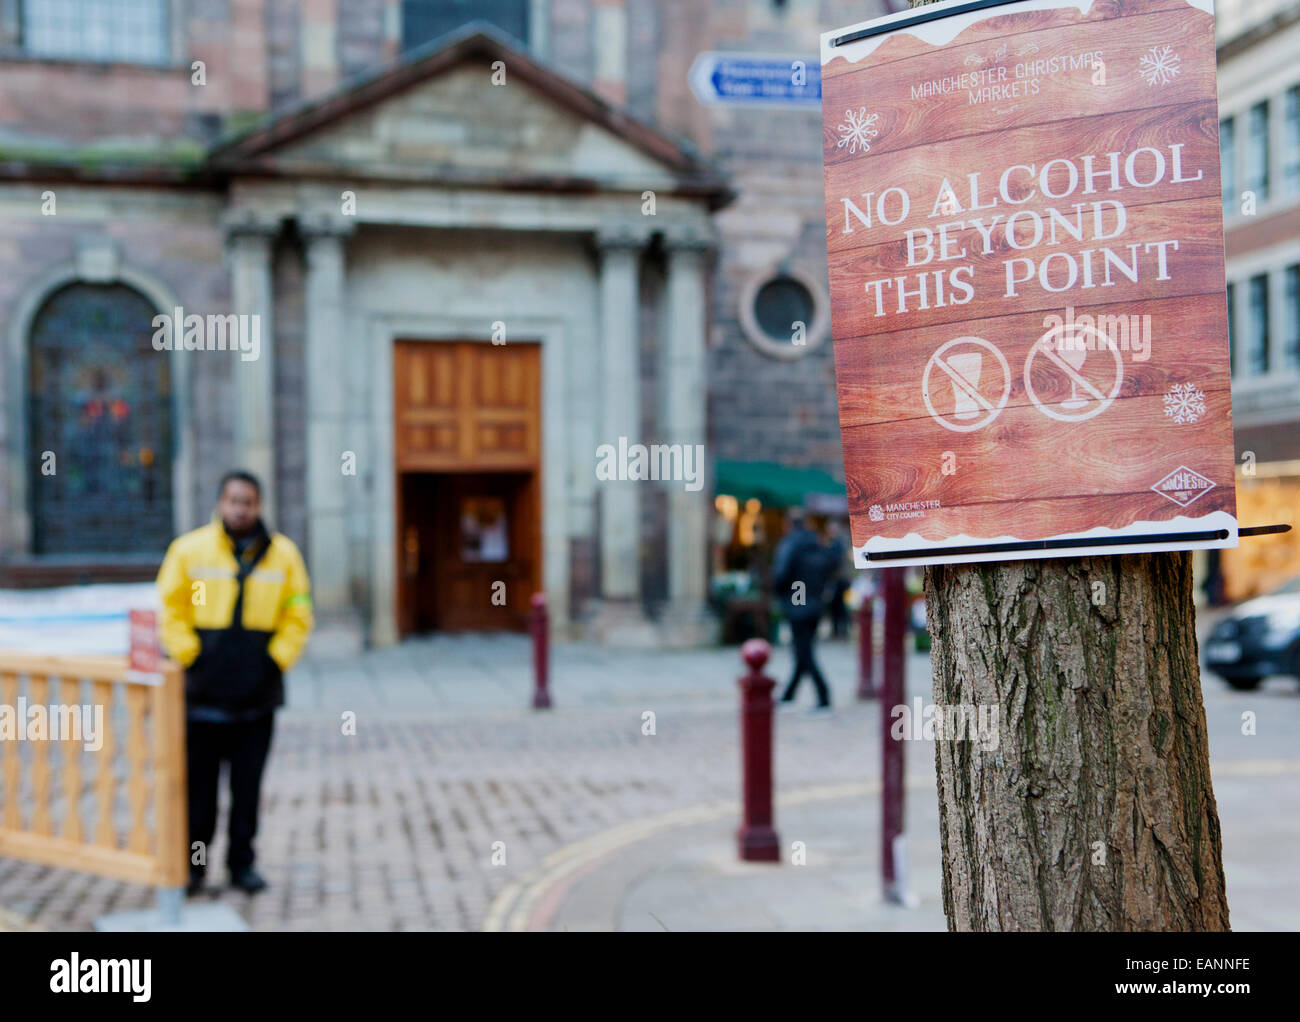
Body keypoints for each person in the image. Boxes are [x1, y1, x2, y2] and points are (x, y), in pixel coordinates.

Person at [157, 470, 313, 895]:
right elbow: (170, 608)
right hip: (201, 694)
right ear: (220, 503)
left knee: (247, 789)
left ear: (259, 506)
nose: (240, 509)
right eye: (233, 501)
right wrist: (190, 655)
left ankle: (242, 864)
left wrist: (276, 660)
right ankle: (195, 867)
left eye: (248, 502)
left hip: (258, 696)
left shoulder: (283, 556)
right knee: (199, 794)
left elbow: (298, 613)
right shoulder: (190, 551)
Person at [771, 509, 834, 713]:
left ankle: (823, 695)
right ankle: (788, 695)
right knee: (802, 650)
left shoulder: (790, 544)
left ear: (788, 524)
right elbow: (829, 570)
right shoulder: (817, 544)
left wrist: (781, 594)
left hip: (797, 603)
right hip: (814, 603)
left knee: (804, 652)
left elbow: (780, 574)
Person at [825, 520, 850, 639]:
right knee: (836, 606)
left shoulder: (838, 543)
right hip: (839, 579)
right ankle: (838, 631)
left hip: (840, 579)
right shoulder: (837, 542)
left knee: (839, 606)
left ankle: (841, 631)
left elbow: (834, 561)